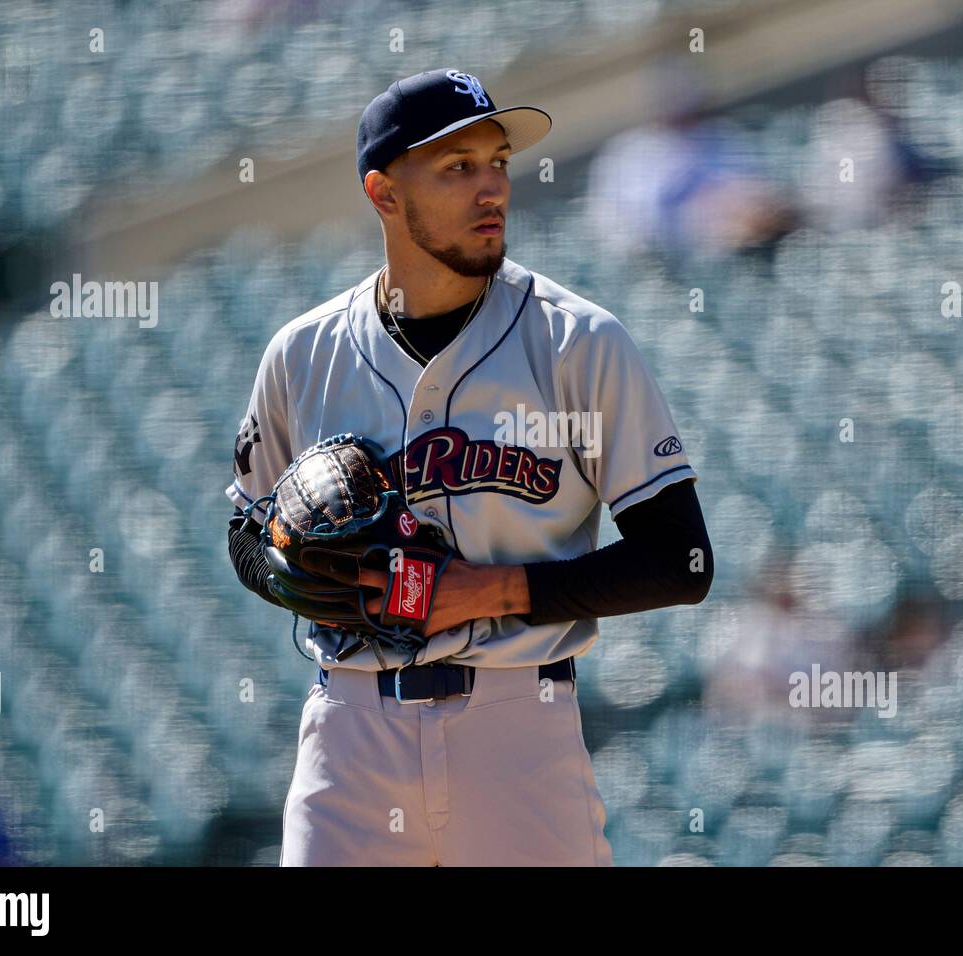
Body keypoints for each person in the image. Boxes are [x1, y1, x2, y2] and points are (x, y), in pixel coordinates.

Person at [225, 69, 714, 866]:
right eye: (458, 168)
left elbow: (683, 562)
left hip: (516, 728)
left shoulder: (577, 342)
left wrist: (488, 591)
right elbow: (245, 532)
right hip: (349, 733)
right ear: (383, 192)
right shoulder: (303, 353)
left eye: (498, 163)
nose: (491, 189)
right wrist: (297, 570)